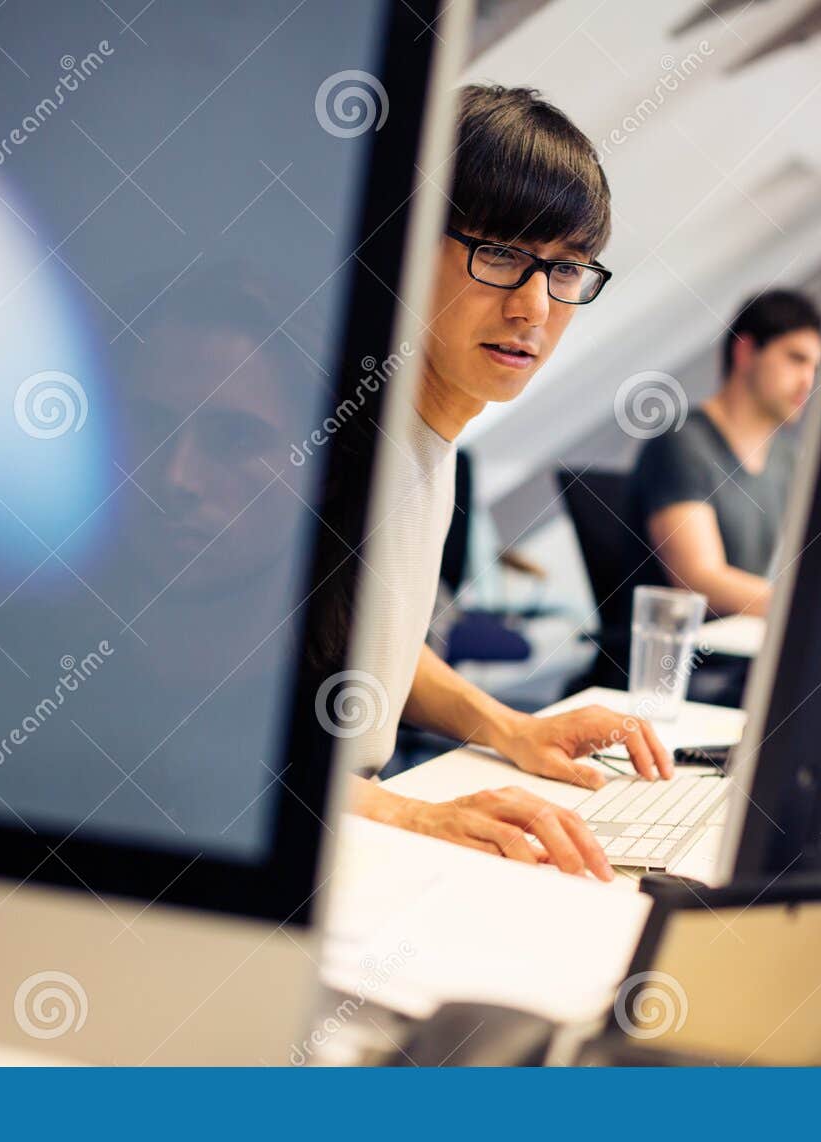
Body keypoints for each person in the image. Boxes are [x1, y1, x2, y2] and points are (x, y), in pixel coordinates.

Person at [320, 85, 674, 881]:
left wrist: (510, 727)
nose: (534, 306)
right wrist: (414, 814)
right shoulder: (329, 444)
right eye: (503, 254)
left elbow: (371, 647)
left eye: (567, 269)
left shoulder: (433, 442)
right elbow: (217, 749)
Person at [628, 289, 821, 617]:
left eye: (815, 366)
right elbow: (700, 579)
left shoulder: (787, 460)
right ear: (746, 352)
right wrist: (813, 608)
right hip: (684, 662)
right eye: (795, 358)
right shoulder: (681, 445)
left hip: (742, 651)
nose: (808, 380)